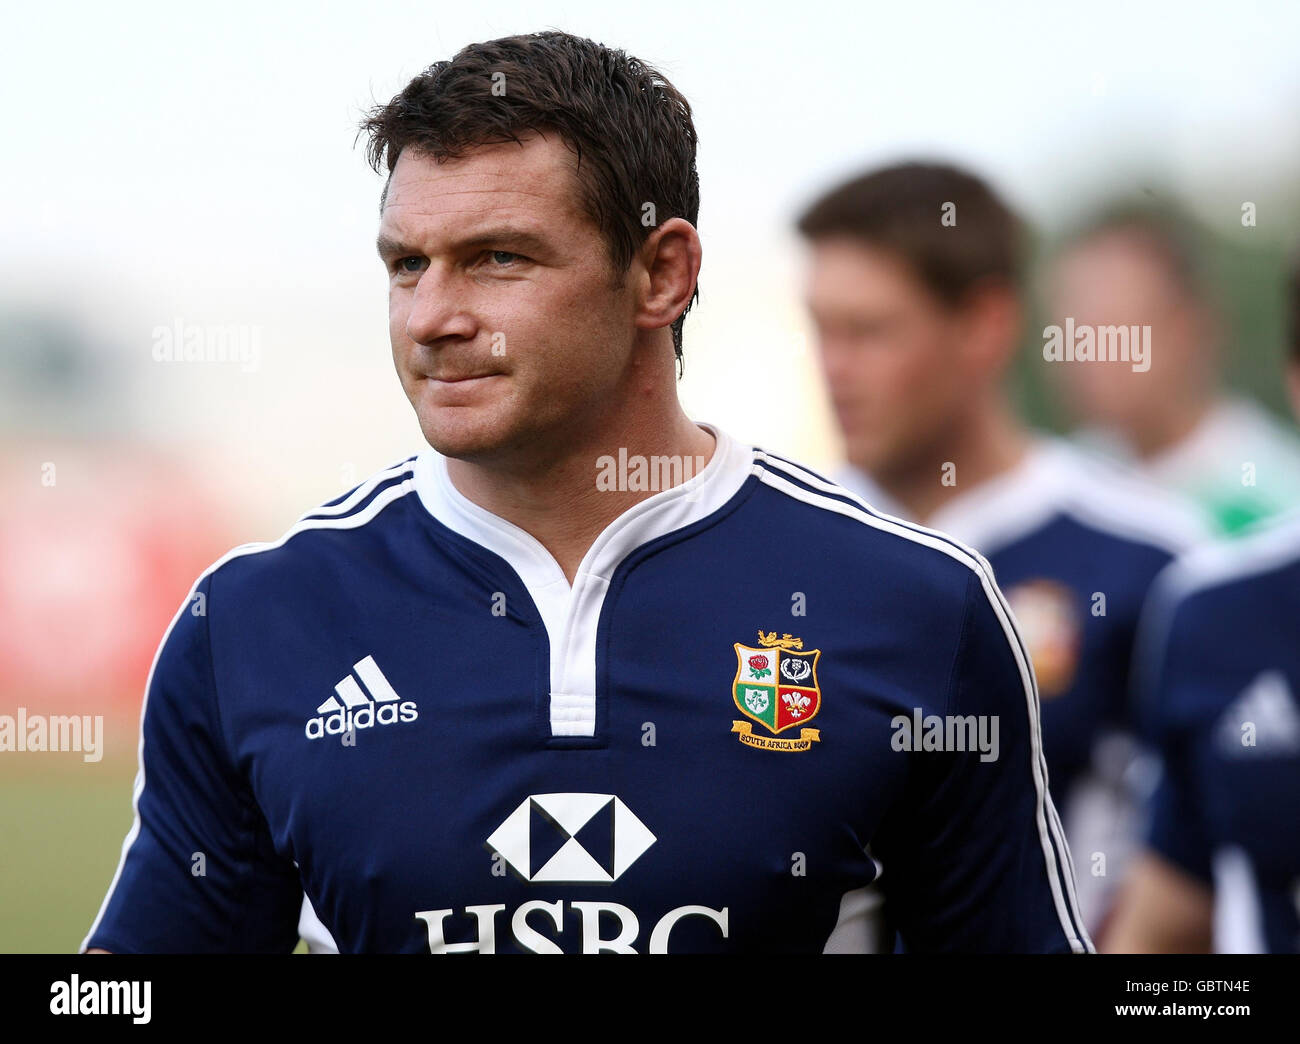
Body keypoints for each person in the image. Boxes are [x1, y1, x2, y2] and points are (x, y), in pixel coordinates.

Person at [82, 32, 1088, 954]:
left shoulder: (912, 604)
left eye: (497, 259)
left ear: (661, 274)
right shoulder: (260, 620)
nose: (432, 316)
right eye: (406, 265)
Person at [796, 162, 1205, 937]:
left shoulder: (1151, 555)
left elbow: (1206, 858)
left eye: (869, 331)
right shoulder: (784, 552)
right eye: (820, 329)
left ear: (984, 324)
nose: (834, 368)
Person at [1105, 253, 1300, 953]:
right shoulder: (1212, 608)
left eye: (1117, 323)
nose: (1092, 351)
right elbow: (1171, 907)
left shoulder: (1266, 482)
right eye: (1079, 325)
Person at [1047, 206, 1300, 534]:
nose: (1086, 356)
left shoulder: (1277, 502)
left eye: (1112, 328)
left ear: (1187, 328)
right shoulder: (1064, 489)